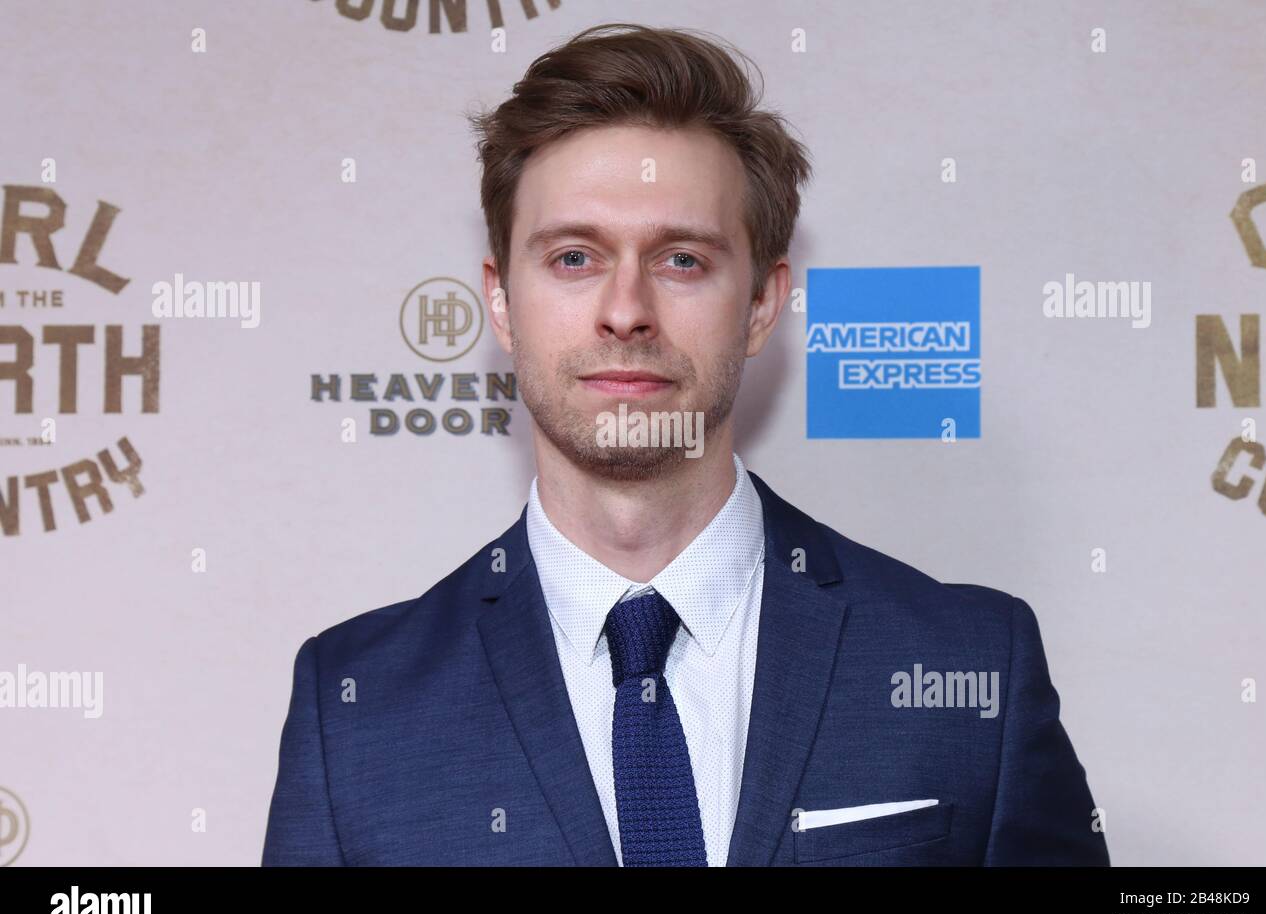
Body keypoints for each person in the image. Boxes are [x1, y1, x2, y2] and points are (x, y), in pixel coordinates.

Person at [262, 22, 1108, 867]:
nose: (625, 308)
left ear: (764, 304)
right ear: (500, 301)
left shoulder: (966, 664)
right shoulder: (357, 707)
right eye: (572, 258)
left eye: (681, 261)